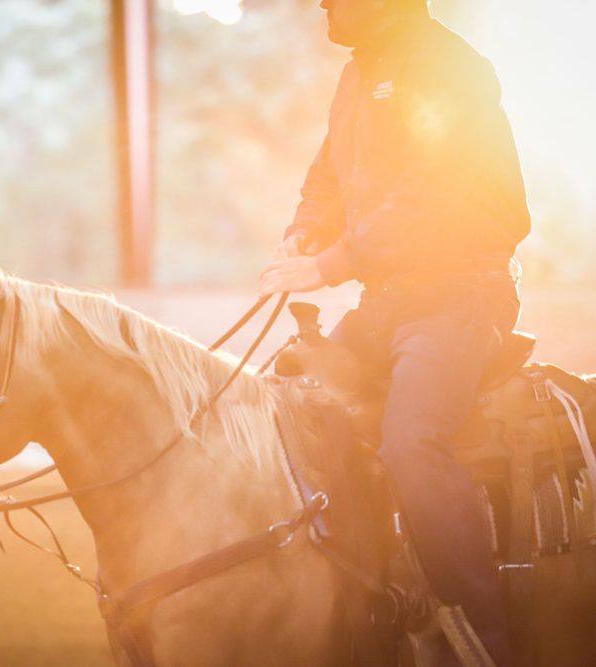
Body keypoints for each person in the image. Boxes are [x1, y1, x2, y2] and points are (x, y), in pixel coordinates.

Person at [257, 0, 531, 665]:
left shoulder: (450, 69)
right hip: (385, 306)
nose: (321, 2)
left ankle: (479, 635)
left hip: (457, 300)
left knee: (410, 442)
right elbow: (327, 178)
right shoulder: (357, 77)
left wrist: (324, 265)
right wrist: (305, 228)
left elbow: (432, 199)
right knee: (280, 408)